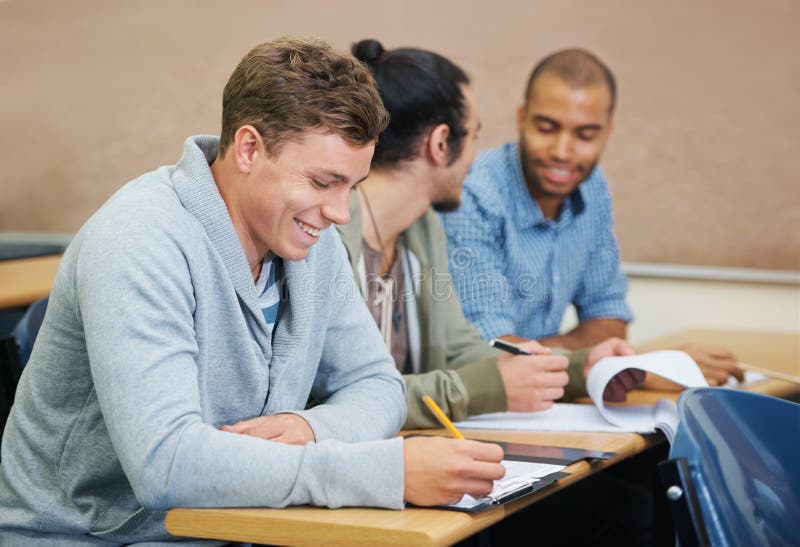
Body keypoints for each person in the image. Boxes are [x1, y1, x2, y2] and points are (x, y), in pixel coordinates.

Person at [0, 38, 507, 545]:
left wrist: (312, 430)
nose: (340, 214)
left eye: (351, 187)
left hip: (233, 529)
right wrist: (385, 473)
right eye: (322, 182)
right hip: (84, 539)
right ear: (248, 149)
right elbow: (166, 462)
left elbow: (379, 385)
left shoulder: (313, 240)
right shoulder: (138, 238)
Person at [340, 39, 643, 430]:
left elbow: (460, 349)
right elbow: (341, 399)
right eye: (474, 136)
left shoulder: (422, 227)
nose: (474, 159)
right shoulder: (331, 230)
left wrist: (583, 367)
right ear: (441, 143)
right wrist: (486, 386)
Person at [440, 48, 743, 384]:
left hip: (545, 399)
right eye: (546, 127)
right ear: (522, 118)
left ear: (607, 132)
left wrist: (573, 354)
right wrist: (621, 364)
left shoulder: (592, 187)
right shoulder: (471, 191)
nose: (562, 151)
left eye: (585, 135)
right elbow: (491, 354)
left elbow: (609, 319)